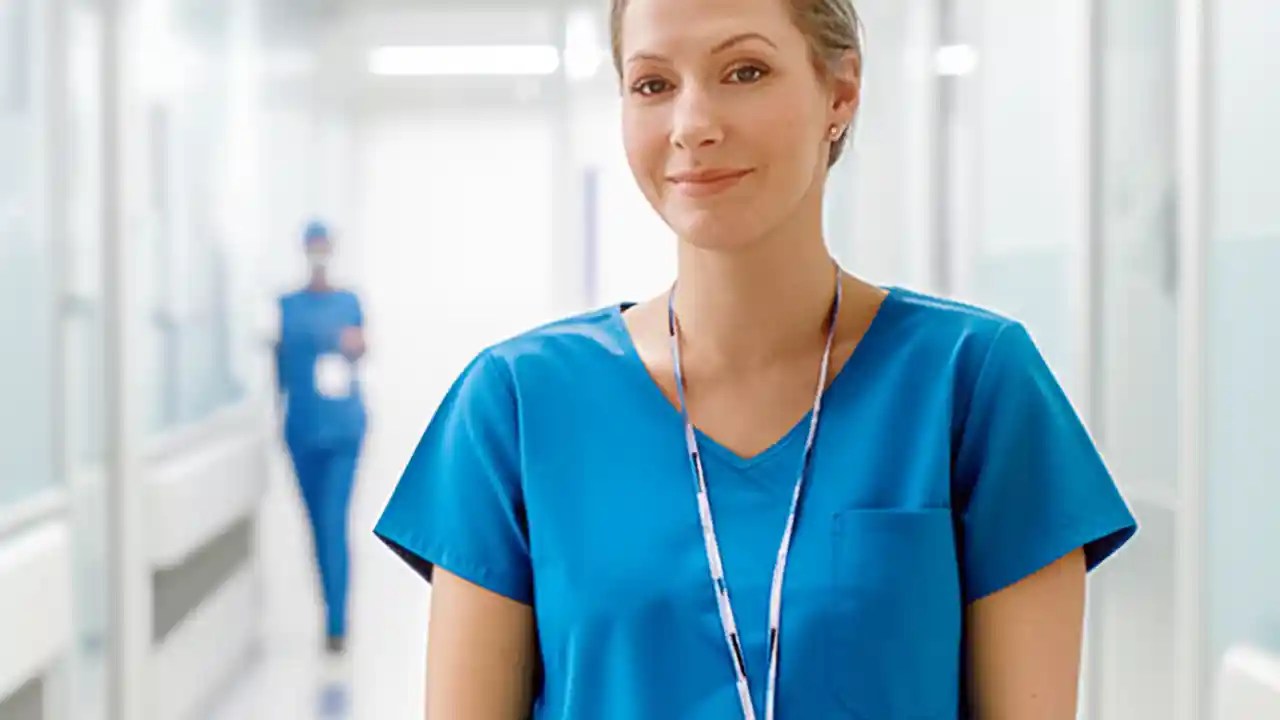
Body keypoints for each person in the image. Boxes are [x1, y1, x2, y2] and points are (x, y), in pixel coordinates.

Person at [374, 0, 1137, 716]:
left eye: (745, 71)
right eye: (652, 84)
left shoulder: (973, 384)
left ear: (839, 94)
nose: (692, 124)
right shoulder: (517, 405)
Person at [275, 219, 367, 655]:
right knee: (315, 528)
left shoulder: (349, 302)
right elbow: (278, 370)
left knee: (333, 521)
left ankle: (336, 622)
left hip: (343, 431)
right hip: (302, 430)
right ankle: (327, 611)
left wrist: (356, 344)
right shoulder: (286, 305)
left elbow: (362, 349)